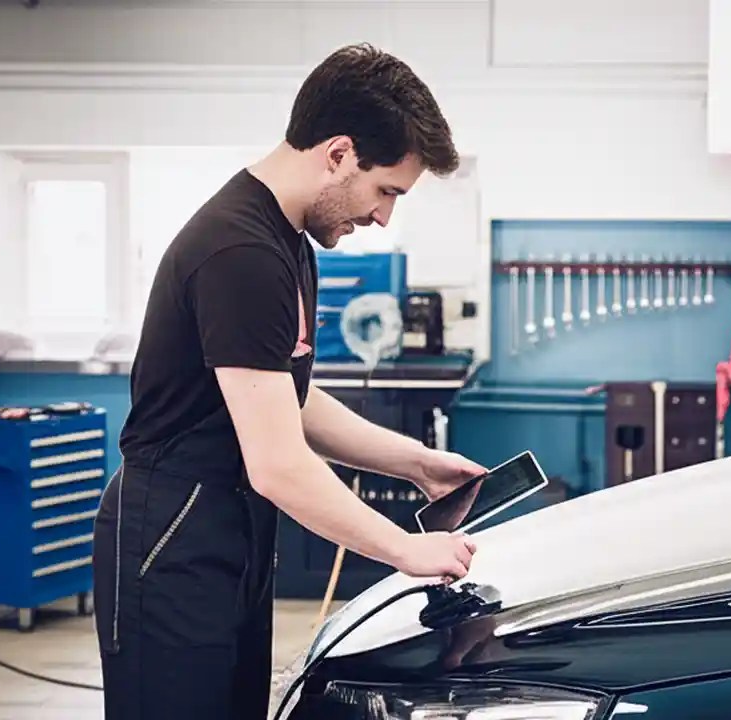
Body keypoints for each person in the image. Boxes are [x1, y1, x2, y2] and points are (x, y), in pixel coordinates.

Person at [91, 43, 485, 719]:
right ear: (337, 154)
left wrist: (417, 463)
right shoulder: (240, 251)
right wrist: (403, 549)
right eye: (385, 190)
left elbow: (286, 399)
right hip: (174, 541)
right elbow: (276, 463)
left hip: (230, 534)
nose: (384, 217)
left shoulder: (288, 241)